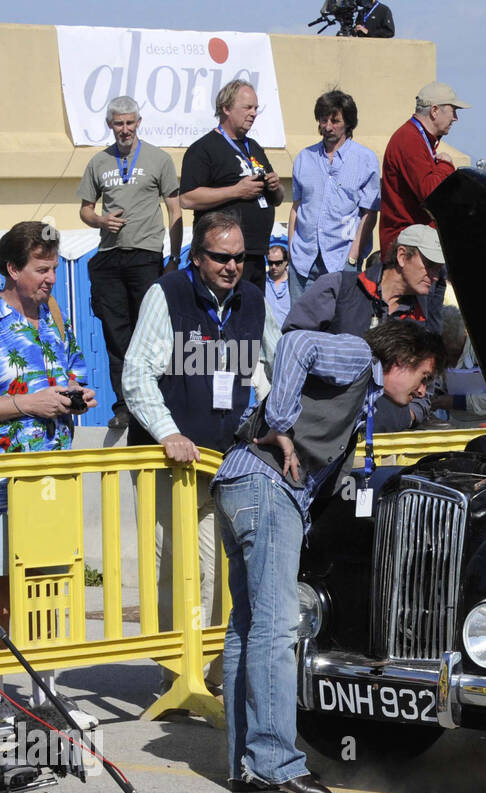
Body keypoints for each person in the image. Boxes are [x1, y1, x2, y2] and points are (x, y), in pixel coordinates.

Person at [213, 320, 440, 793]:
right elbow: (297, 343)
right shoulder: (360, 357)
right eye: (422, 375)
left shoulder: (364, 398)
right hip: (267, 488)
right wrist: (281, 421)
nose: (424, 387)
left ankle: (243, 766)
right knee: (276, 628)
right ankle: (275, 763)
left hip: (238, 484)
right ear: (398, 362)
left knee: (247, 626)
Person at [122, 210, 278, 638]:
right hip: (166, 464)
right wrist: (168, 433)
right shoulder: (167, 294)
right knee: (172, 569)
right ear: (196, 257)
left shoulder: (253, 301)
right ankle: (172, 675)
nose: (231, 266)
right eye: (220, 257)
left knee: (218, 572)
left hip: (223, 465)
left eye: (239, 257)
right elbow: (136, 375)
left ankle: (210, 672)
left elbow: (277, 368)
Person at [0, 223, 98, 723]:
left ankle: (45, 701)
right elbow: (25, 401)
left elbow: (77, 374)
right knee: (3, 589)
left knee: (48, 586)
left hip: (52, 476)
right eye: (41, 269)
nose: (51, 278)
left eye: (55, 267)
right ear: (13, 269)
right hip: (5, 479)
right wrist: (25, 405)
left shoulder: (55, 315)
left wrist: (79, 395)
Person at [78, 95, 182, 431]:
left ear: (139, 122)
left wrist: (175, 258)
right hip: (108, 257)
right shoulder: (98, 162)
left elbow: (175, 210)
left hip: (145, 256)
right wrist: (100, 221)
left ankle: (156, 403)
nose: (124, 129)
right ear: (110, 125)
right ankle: (124, 407)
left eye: (129, 123)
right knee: (115, 335)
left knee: (149, 334)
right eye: (118, 123)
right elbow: (85, 209)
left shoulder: (159, 158)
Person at [282, 224, 443, 430]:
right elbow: (291, 345)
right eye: (430, 265)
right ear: (402, 256)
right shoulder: (339, 287)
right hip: (319, 431)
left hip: (384, 440)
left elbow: (427, 381)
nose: (435, 275)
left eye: (439, 268)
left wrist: (409, 416)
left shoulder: (423, 319)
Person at [180, 79, 283, 290]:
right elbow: (187, 198)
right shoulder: (204, 148)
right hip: (223, 258)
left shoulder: (253, 147)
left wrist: (275, 186)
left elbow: (278, 199)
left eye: (256, 108)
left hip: (254, 254)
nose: (253, 113)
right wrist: (236, 191)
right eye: (247, 107)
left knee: (251, 315)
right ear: (226, 108)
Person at [287, 90, 379, 301]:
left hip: (341, 261)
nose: (327, 127)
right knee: (299, 329)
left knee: (340, 329)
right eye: (323, 120)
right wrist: (292, 250)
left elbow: (369, 214)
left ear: (348, 123)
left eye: (335, 121)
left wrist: (353, 257)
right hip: (303, 262)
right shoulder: (304, 158)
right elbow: (296, 206)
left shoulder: (365, 160)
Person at [379, 81, 469, 254]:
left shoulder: (418, 138)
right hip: (407, 248)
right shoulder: (410, 139)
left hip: (413, 244)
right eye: (453, 111)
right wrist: (446, 166)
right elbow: (431, 193)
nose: (455, 118)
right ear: (435, 111)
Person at [264, 238, 291, 327]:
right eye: (270, 263)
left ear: (286, 262)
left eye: (278, 263)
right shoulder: (262, 281)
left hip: (287, 333)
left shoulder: (293, 283)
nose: (273, 267)